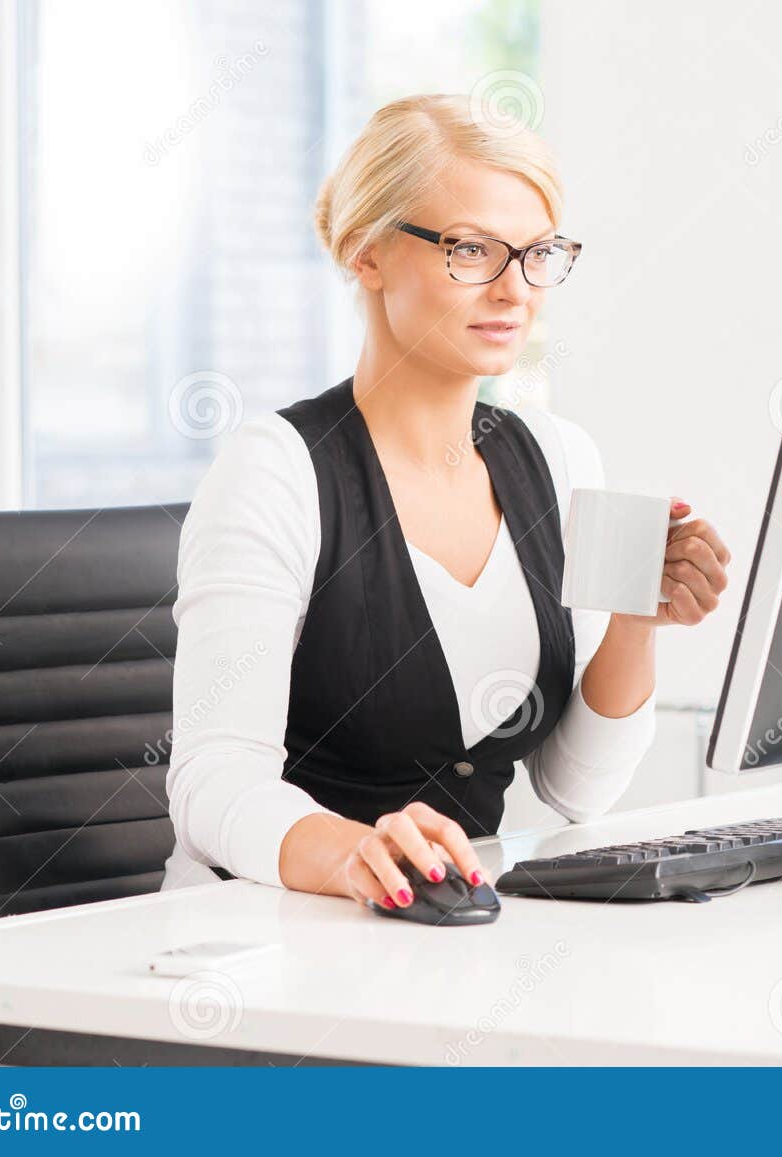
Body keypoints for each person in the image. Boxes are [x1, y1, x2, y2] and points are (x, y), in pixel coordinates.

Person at [159, 94, 730, 909]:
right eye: (471, 250)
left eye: (538, 254)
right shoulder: (275, 473)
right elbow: (214, 779)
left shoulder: (561, 459)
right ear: (368, 254)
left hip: (453, 928)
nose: (514, 290)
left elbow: (576, 790)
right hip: (262, 933)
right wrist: (358, 854)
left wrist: (637, 619)